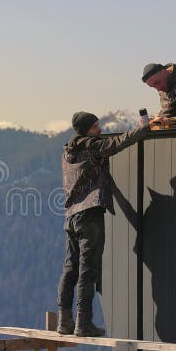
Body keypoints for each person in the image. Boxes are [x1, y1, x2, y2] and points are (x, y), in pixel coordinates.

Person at [58, 112, 151, 336]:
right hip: (90, 214)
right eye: (95, 126)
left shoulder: (67, 152)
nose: (99, 129)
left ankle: (64, 321)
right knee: (88, 270)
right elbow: (118, 142)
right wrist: (144, 128)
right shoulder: (93, 147)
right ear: (87, 129)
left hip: (71, 216)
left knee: (71, 269)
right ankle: (84, 322)